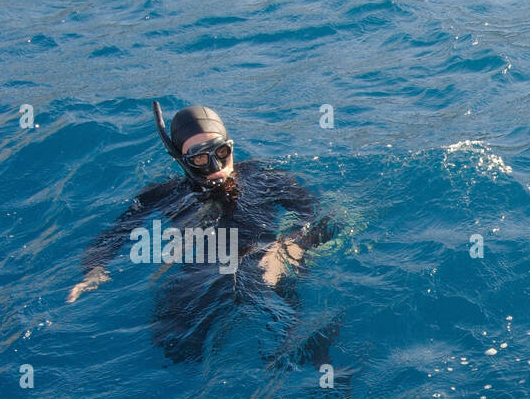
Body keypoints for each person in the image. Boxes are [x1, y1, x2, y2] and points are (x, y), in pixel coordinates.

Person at [69, 102, 336, 363]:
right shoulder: (164, 194)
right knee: (173, 346)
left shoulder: (263, 177)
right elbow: (115, 233)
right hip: (202, 275)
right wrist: (94, 268)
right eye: (200, 159)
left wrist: (290, 246)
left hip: (262, 263)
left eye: (221, 152)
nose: (216, 167)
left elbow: (322, 215)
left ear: (230, 146)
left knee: (297, 340)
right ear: (183, 161)